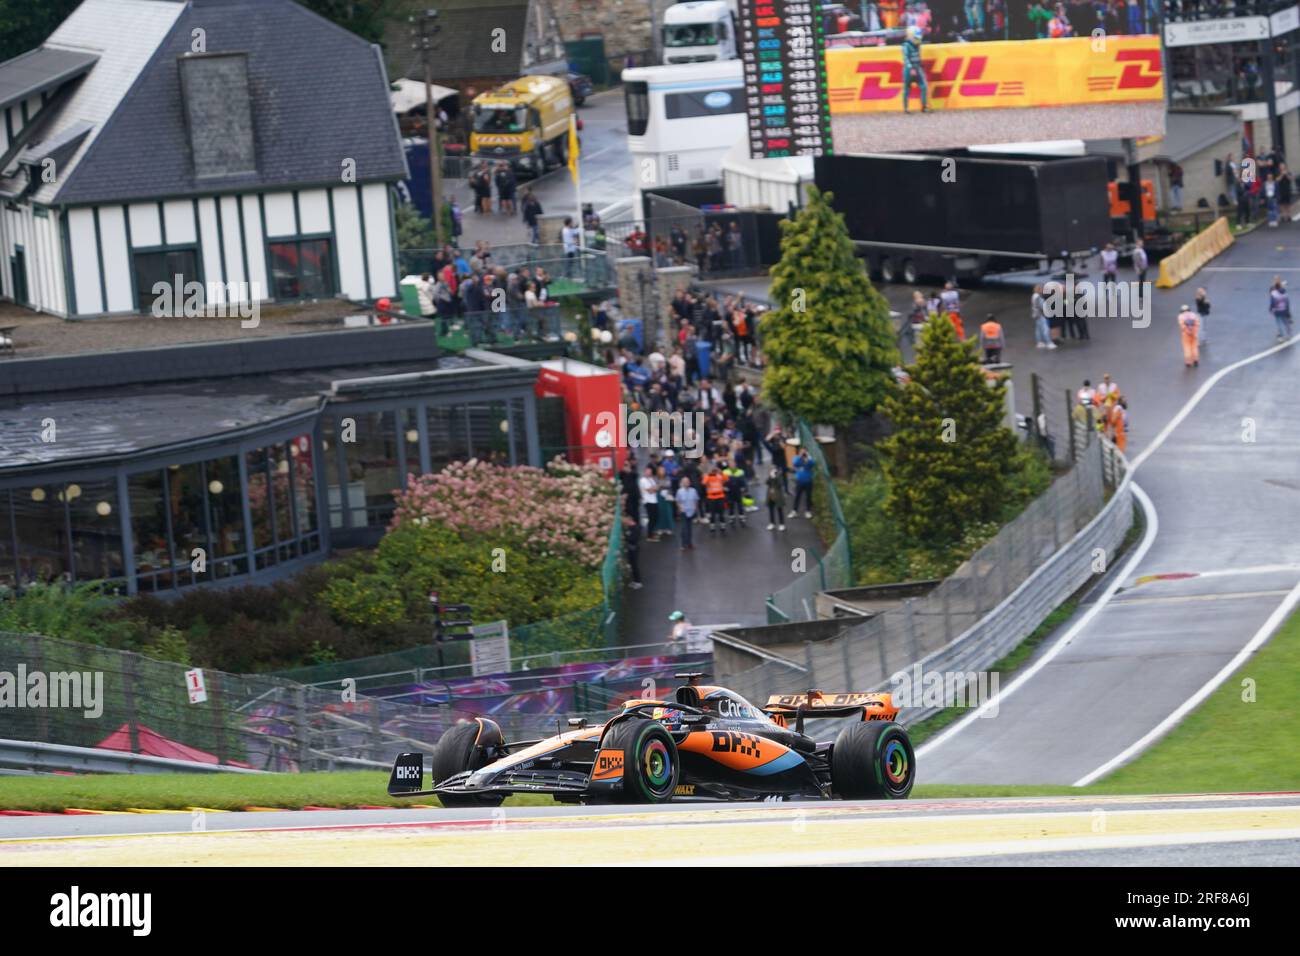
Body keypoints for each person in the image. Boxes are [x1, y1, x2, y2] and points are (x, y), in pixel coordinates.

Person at [901, 26, 930, 114]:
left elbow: (918, 55)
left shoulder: (918, 45)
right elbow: (905, 58)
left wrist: (920, 64)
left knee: (924, 86)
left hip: (917, 68)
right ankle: (906, 108)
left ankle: (924, 106)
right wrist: (910, 68)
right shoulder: (906, 46)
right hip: (909, 70)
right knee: (906, 88)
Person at [702, 464, 728, 534]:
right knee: (712, 514)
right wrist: (709, 474)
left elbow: (726, 479)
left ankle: (723, 526)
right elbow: (704, 483)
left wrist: (721, 472)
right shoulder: (707, 476)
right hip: (711, 498)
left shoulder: (719, 475)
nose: (713, 470)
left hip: (720, 497)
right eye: (712, 469)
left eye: (714, 469)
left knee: (721, 513)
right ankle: (712, 527)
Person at [675, 476, 699, 550]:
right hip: (684, 512)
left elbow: (696, 500)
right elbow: (677, 501)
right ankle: (683, 544)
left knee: (690, 529)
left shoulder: (693, 490)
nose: (686, 483)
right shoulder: (679, 491)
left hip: (691, 511)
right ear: (682, 483)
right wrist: (680, 508)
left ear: (689, 483)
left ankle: (689, 544)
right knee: (684, 528)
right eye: (684, 482)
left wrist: (695, 507)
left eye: (687, 482)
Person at [639, 465, 660, 541]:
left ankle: (651, 532)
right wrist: (654, 488)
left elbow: (656, 488)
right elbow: (650, 491)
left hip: (654, 500)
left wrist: (654, 488)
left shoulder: (651, 479)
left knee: (655, 517)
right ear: (645, 472)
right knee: (652, 518)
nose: (649, 473)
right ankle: (649, 535)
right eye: (647, 471)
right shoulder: (643, 480)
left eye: (650, 472)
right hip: (648, 501)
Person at [791, 447, 814, 518]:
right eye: (802, 451)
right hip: (799, 481)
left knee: (808, 497)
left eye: (805, 452)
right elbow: (795, 463)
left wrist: (808, 458)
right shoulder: (796, 458)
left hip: (808, 481)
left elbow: (813, 463)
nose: (803, 453)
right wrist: (800, 456)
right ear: (799, 452)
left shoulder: (809, 459)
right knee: (797, 496)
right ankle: (794, 511)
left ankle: (808, 511)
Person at [622, 512, 643, 589]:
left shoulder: (636, 528)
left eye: (626, 521)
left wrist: (626, 537)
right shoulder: (630, 528)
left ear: (630, 520)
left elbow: (633, 539)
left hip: (634, 549)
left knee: (634, 566)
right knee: (632, 565)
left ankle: (638, 582)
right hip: (631, 548)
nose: (625, 523)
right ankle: (635, 581)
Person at [1032, 284, 1055, 350]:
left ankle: (1039, 342)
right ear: (1039, 289)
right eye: (1042, 289)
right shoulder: (1038, 297)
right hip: (1041, 315)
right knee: (1045, 329)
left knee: (1038, 329)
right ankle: (1049, 343)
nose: (1042, 290)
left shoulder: (1033, 296)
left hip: (1036, 315)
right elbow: (1042, 306)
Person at [1270, 276, 1293, 340]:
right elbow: (1287, 302)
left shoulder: (1274, 293)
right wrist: (1288, 311)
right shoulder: (1284, 293)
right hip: (1284, 310)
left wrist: (1271, 309)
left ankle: (1281, 336)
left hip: (1277, 310)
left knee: (1279, 323)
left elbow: (1272, 302)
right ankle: (1289, 333)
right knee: (1285, 322)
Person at [1178, 303, 1200, 368]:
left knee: (1187, 347)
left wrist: (1187, 331)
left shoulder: (1181, 316)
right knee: (1194, 347)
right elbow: (1197, 324)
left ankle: (1188, 362)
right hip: (1194, 334)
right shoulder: (1194, 315)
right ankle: (1195, 360)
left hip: (1186, 335)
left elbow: (1182, 326)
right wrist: (1194, 331)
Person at [765, 467, 786, 531]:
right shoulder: (770, 476)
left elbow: (780, 484)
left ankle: (782, 524)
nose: (772, 471)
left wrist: (775, 477)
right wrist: (770, 477)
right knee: (771, 510)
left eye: (774, 470)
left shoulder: (779, 476)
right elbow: (766, 482)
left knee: (779, 510)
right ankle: (772, 523)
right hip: (770, 496)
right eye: (771, 470)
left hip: (778, 496)